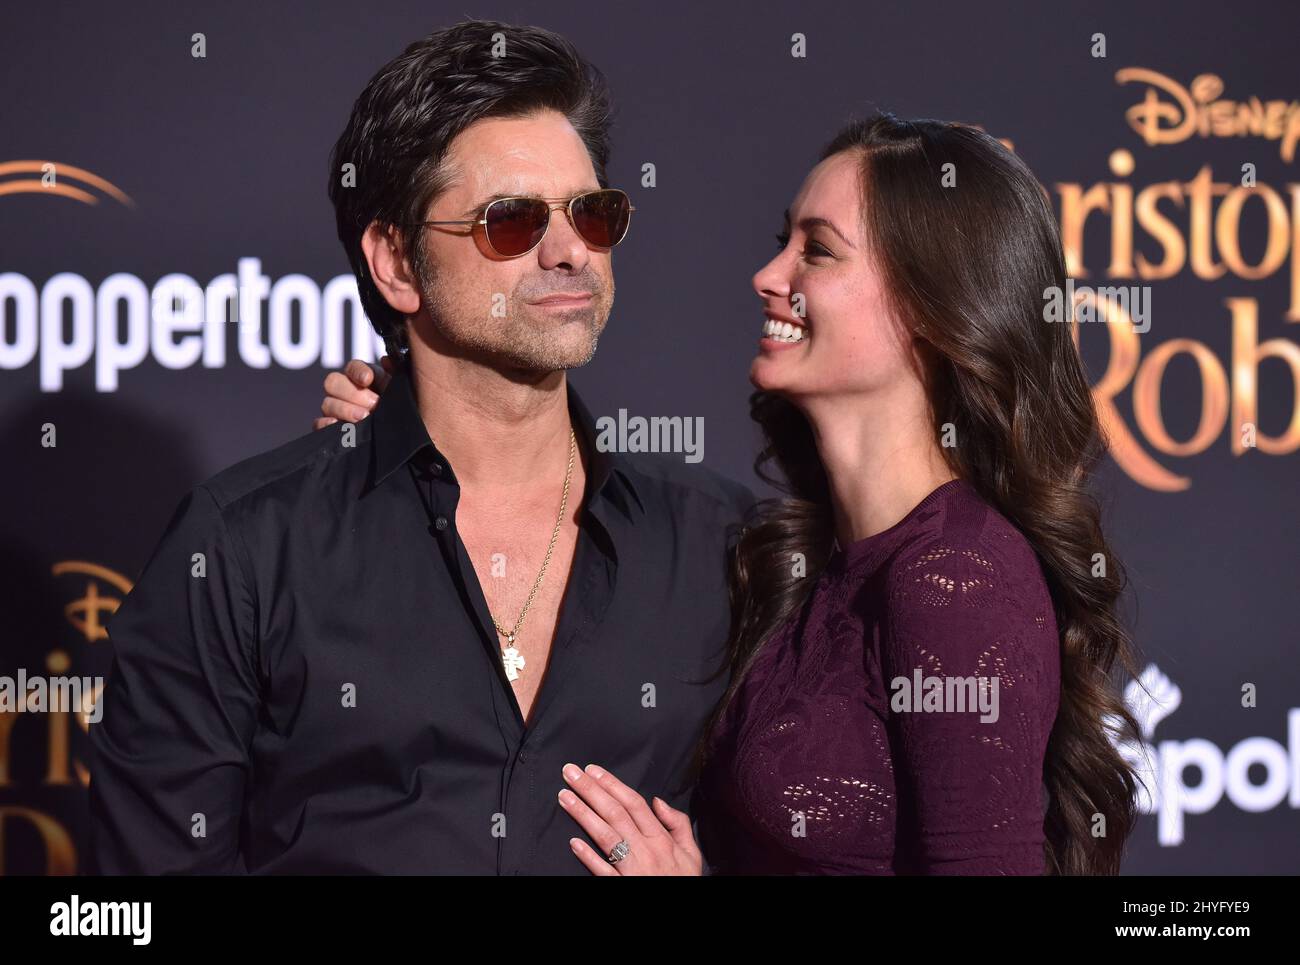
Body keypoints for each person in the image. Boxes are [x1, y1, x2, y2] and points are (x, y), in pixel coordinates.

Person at [323, 115, 1144, 875]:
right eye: (782, 240)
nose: (766, 274)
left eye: (816, 251)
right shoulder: (793, 558)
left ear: (932, 307)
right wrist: (428, 422)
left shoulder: (958, 575)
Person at [88, 19, 752, 875]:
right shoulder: (244, 549)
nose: (567, 251)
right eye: (510, 222)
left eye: (593, 213)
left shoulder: (722, 544)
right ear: (396, 262)